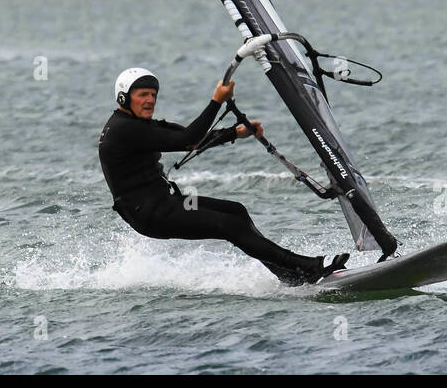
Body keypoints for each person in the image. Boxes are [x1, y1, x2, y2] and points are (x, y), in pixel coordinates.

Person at [99, 67, 350, 285]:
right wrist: (216, 101)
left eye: (153, 95)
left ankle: (289, 275)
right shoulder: (124, 130)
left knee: (235, 211)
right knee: (228, 226)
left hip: (168, 202)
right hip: (151, 214)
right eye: (142, 95)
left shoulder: (138, 125)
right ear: (124, 97)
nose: (150, 100)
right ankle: (310, 267)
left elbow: (189, 139)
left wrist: (235, 133)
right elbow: (187, 140)